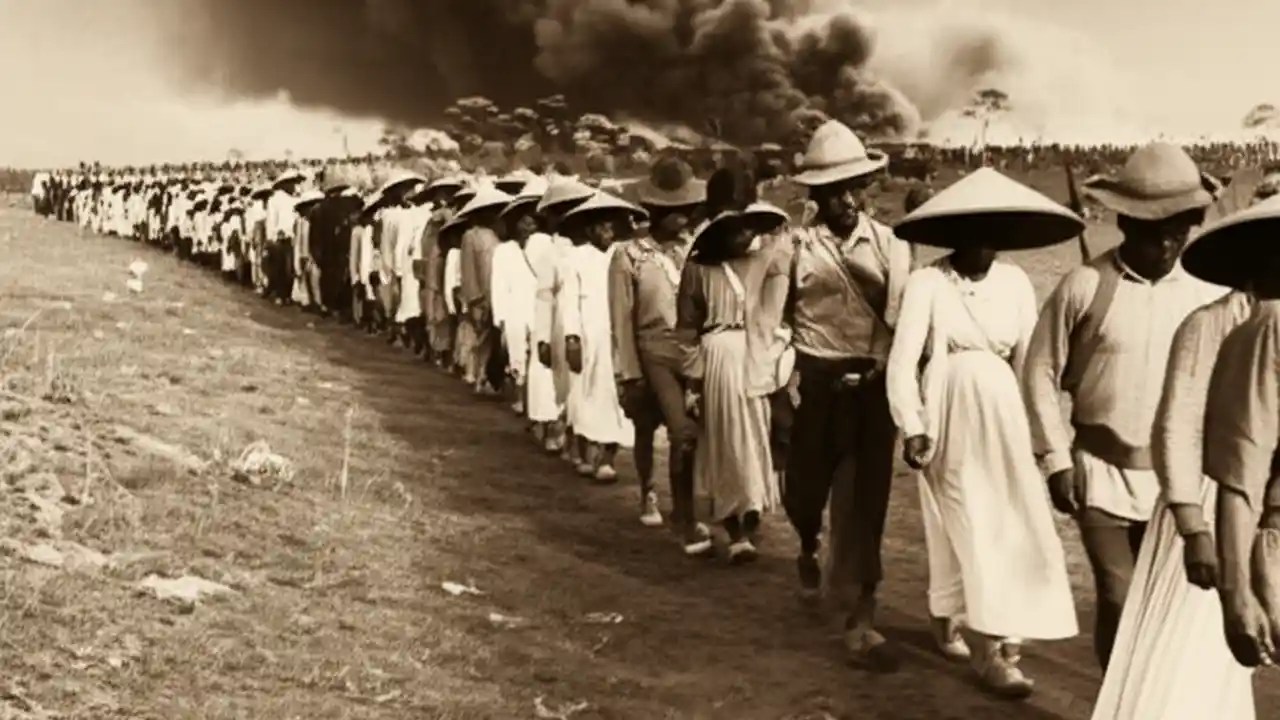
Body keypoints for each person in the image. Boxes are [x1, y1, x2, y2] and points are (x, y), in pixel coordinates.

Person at [1022, 142, 1227, 670]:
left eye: (1179, 228)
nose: (1168, 242)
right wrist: (1056, 460)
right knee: (1118, 594)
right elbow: (1040, 371)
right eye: (1154, 229)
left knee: (1168, 607)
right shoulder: (1086, 286)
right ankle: (1115, 695)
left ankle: (1146, 698)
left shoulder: (1205, 293)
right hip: (1101, 472)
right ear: (1126, 223)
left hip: (1180, 481)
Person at [887, 168, 1081, 697]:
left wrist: (1042, 436)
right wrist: (913, 425)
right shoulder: (928, 282)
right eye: (970, 233)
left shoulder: (1014, 283)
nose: (981, 245)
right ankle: (990, 649)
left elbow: (1030, 362)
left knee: (1011, 522)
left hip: (1003, 412)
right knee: (967, 517)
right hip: (949, 408)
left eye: (991, 233)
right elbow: (902, 363)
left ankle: (968, 618)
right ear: (953, 234)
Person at [1090, 175, 1267, 720]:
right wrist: (1193, 527)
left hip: (1262, 504)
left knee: (1231, 666)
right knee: (1185, 654)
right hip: (1209, 501)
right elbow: (1177, 428)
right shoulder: (1209, 324)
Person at [773, 119, 913, 671]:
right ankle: (807, 542)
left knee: (864, 503)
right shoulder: (794, 248)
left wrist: (878, 368)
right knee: (804, 494)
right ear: (817, 195)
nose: (847, 201)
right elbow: (776, 321)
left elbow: (899, 322)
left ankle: (862, 617)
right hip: (814, 383)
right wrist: (781, 380)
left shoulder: (892, 246)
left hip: (870, 388)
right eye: (835, 192)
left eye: (855, 188)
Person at [679, 178, 789, 564]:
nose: (746, 238)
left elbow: (783, 260)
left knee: (756, 433)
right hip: (718, 356)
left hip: (752, 353)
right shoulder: (697, 271)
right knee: (725, 439)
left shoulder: (759, 262)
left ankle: (751, 513)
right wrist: (693, 382)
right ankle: (734, 527)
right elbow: (687, 329)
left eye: (749, 231)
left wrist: (780, 226)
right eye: (738, 231)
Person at [609, 156, 711, 554]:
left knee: (689, 431)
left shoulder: (693, 251)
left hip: (689, 349)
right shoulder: (629, 255)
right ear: (653, 210)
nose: (681, 217)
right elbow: (621, 317)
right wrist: (629, 372)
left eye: (686, 208)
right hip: (650, 349)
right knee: (652, 425)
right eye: (673, 210)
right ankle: (653, 494)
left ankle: (686, 511)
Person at [559, 192, 640, 481]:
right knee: (583, 392)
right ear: (589, 230)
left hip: (618, 333)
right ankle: (584, 452)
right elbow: (569, 300)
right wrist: (572, 337)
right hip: (588, 332)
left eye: (611, 227)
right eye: (601, 228)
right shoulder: (576, 257)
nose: (608, 233)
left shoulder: (623, 255)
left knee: (615, 396)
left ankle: (607, 458)